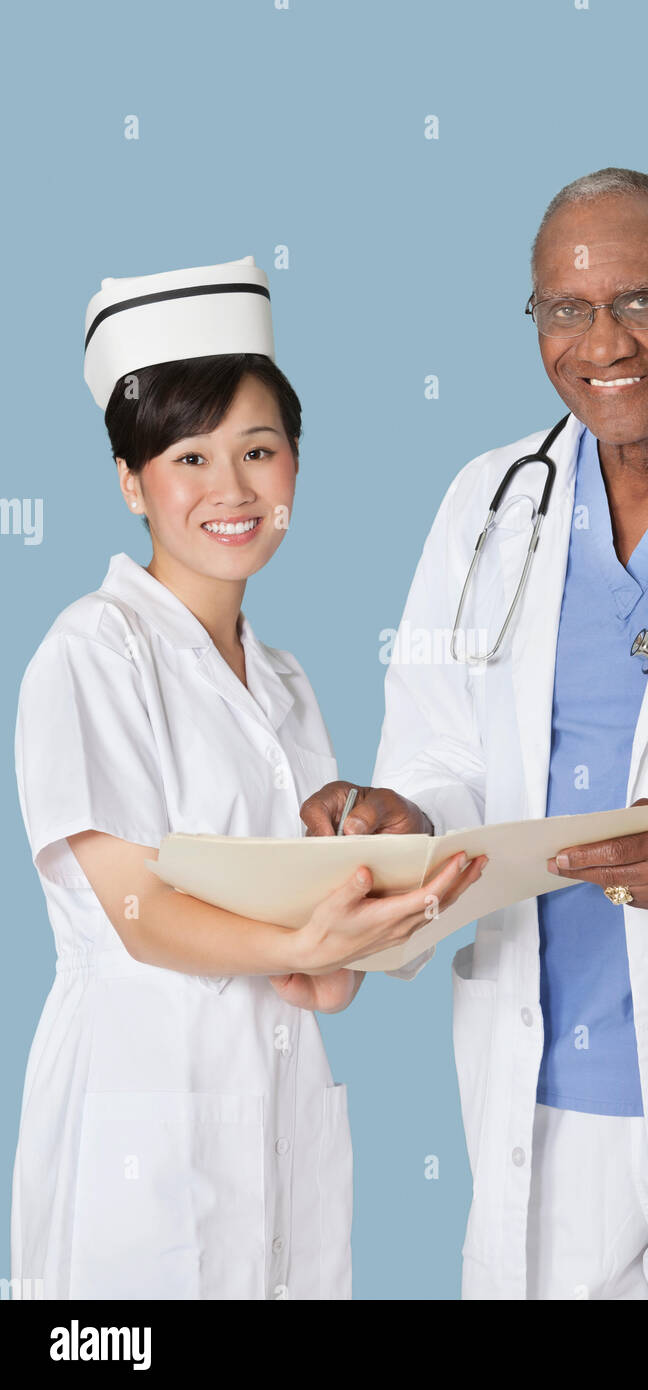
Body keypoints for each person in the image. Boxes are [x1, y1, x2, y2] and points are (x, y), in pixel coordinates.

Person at [301, 170, 648, 1299]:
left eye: (638, 303)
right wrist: (402, 818)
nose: (598, 340)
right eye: (564, 310)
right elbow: (440, 759)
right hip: (543, 1100)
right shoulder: (484, 505)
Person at [11, 255, 484, 1301]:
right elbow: (136, 906)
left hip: (277, 1118)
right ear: (130, 480)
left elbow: (311, 961)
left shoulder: (284, 682)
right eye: (189, 455)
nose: (232, 490)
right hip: (138, 1118)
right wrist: (303, 941)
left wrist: (348, 949)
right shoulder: (91, 651)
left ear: (296, 466)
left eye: (259, 450)